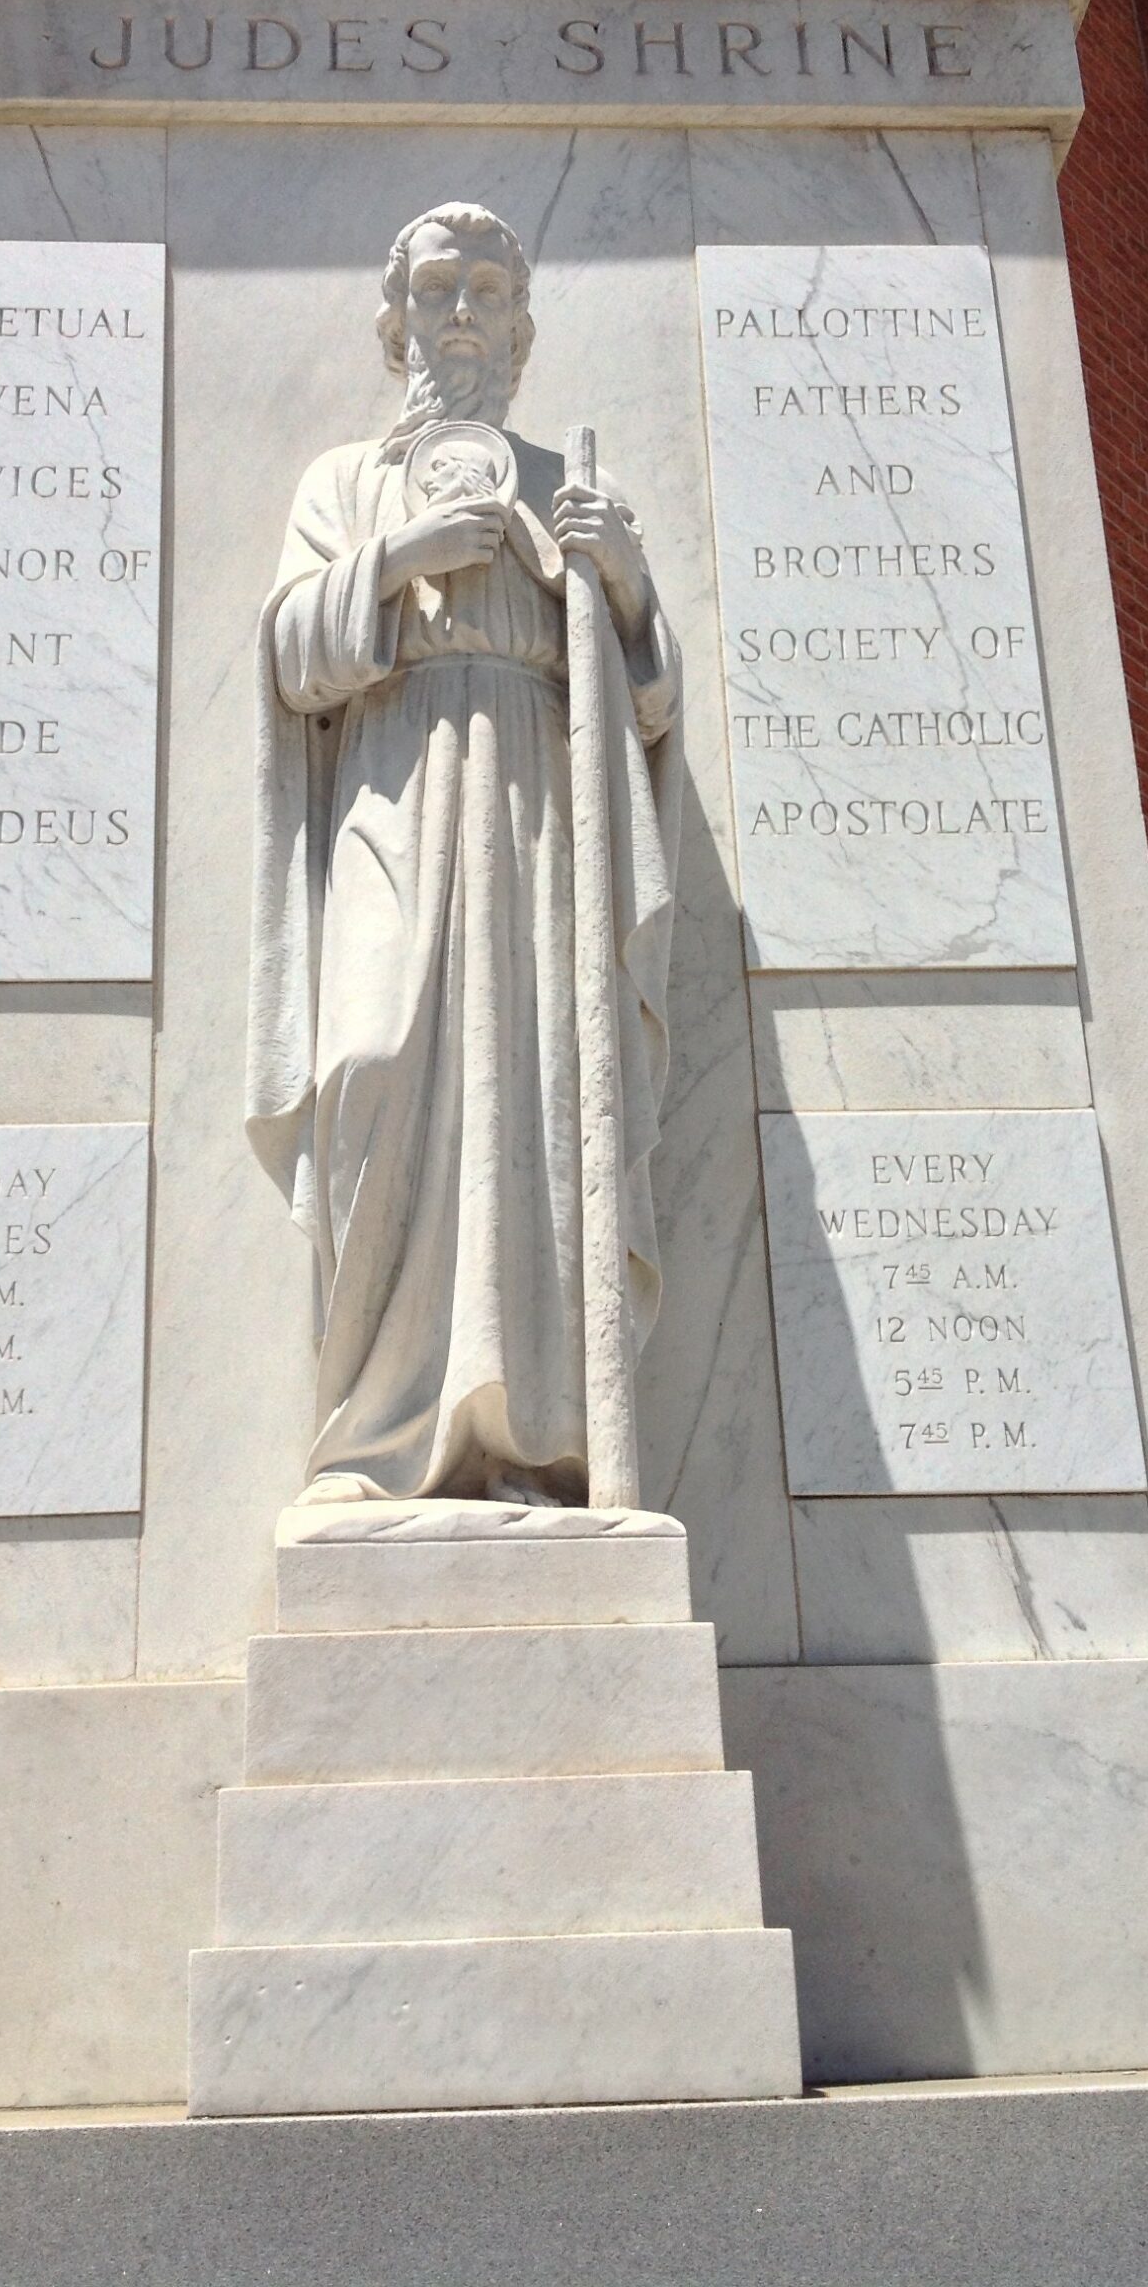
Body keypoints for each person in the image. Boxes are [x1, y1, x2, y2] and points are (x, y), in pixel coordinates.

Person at [247, 203, 682, 1503]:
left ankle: (535, 1439)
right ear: (399, 326)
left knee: (537, 1096)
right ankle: (376, 1438)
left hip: (537, 814)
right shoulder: (344, 483)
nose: (462, 316)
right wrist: (398, 559)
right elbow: (287, 657)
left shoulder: (564, 483)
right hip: (396, 789)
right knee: (374, 1065)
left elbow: (647, 706)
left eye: (488, 292)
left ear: (521, 327)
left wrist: (626, 591)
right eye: (437, 292)